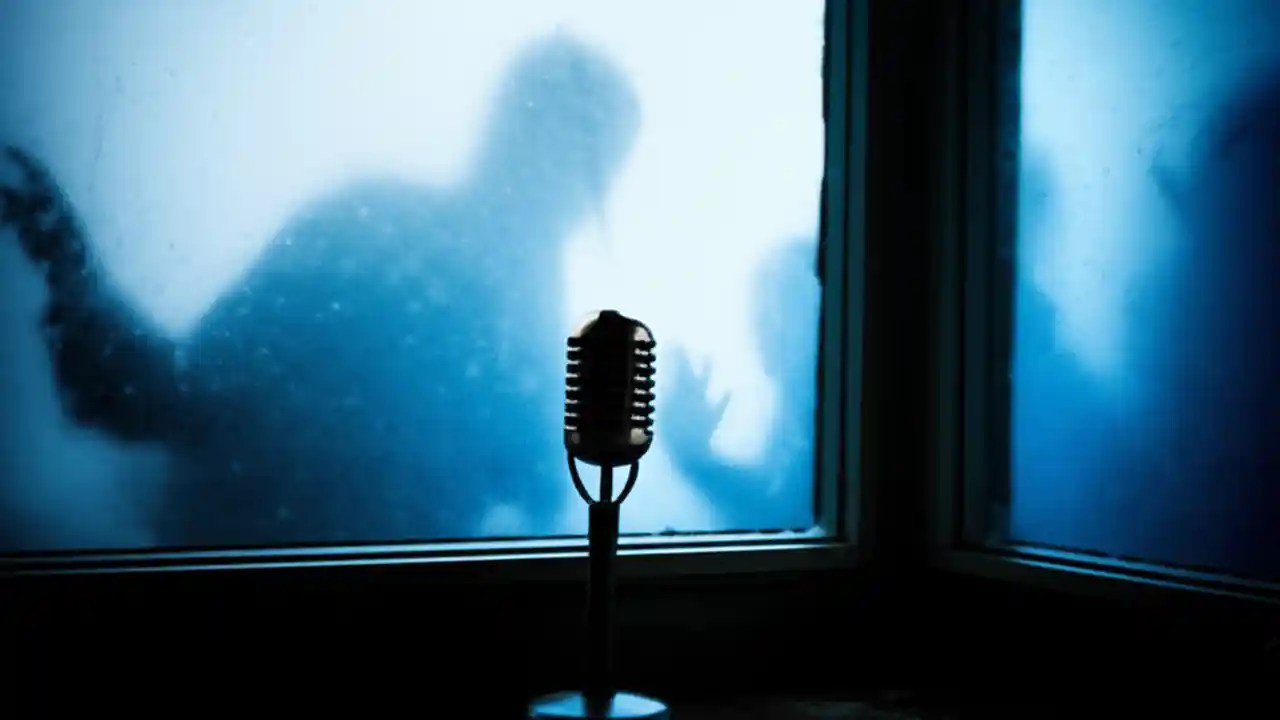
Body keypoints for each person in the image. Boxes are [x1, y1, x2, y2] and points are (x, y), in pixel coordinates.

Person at [0, 34, 641, 548]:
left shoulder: (503, 306)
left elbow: (171, 400)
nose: (580, 191)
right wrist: (75, 278)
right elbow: (175, 400)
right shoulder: (378, 240)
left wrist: (75, 278)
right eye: (580, 156)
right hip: (247, 610)